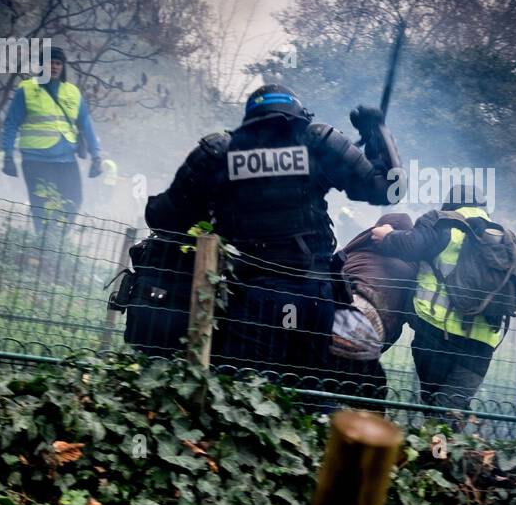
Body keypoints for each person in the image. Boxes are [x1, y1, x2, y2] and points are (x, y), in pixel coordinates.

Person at [141, 83, 401, 386]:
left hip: (254, 294)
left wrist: (209, 207)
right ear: (298, 115)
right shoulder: (318, 143)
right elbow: (389, 189)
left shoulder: (217, 153)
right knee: (308, 392)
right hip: (315, 296)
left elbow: (162, 217)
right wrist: (378, 132)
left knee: (242, 391)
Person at [371, 182, 516, 412]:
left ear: (451, 203)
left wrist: (387, 236)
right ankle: (447, 443)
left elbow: (411, 245)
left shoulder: (442, 222)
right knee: (451, 410)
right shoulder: (506, 240)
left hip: (437, 335)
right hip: (482, 344)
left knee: (433, 408)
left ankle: (435, 444)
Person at [1, 46, 104, 233]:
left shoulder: (72, 92)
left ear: (63, 66)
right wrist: (7, 155)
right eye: (50, 62)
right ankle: (43, 244)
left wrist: (96, 155)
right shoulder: (27, 89)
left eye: (58, 63)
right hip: (35, 160)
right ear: (41, 65)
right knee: (42, 205)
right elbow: (11, 123)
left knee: (74, 199)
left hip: (66, 159)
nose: (55, 67)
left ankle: (57, 242)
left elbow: (86, 124)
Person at [329, 212, 420, 389]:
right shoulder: (410, 269)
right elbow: (412, 316)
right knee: (361, 390)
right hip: (369, 324)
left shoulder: (354, 251)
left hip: (333, 316)